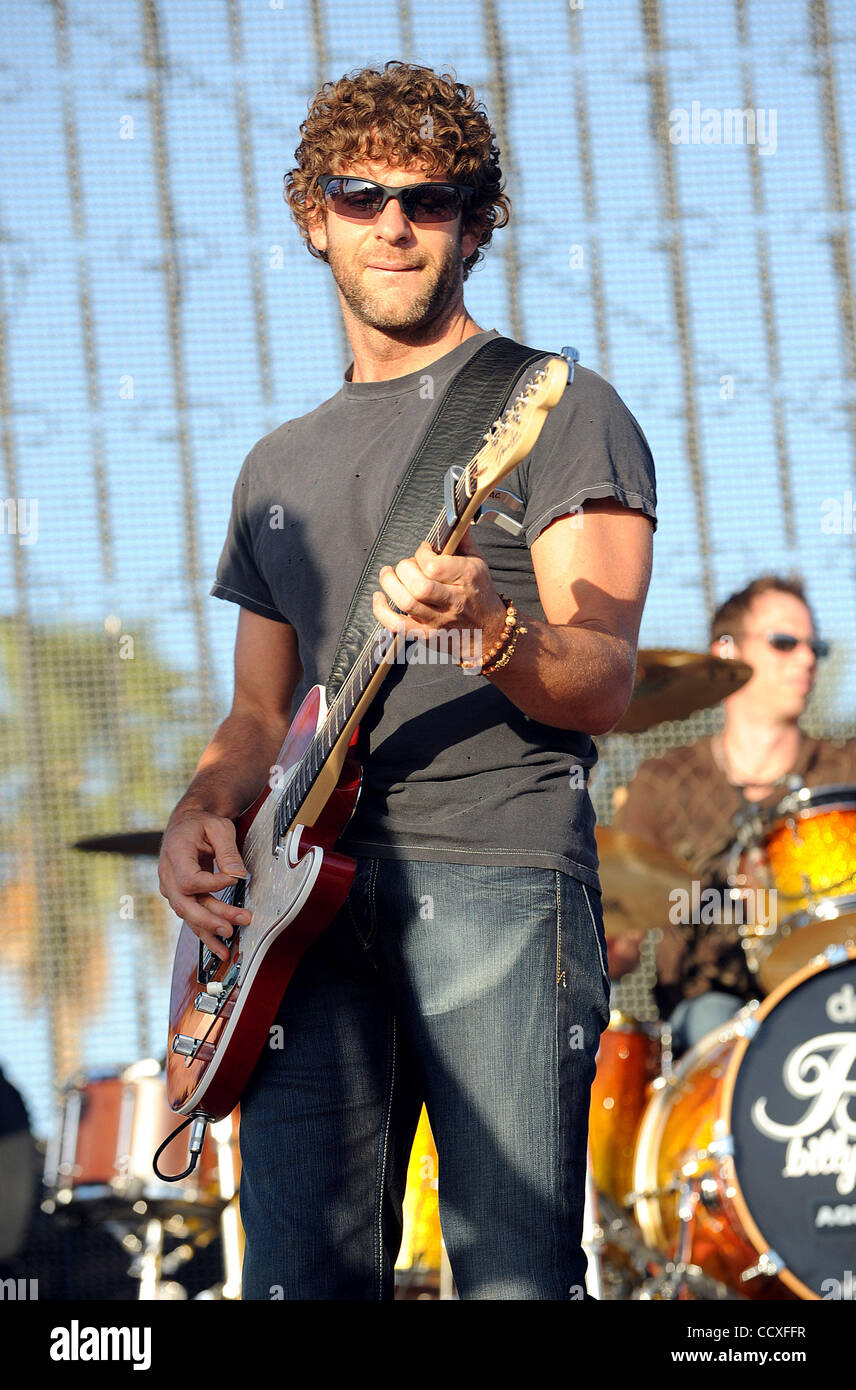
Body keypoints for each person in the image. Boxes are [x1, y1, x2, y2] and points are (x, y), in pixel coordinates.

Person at [158, 60, 656, 1300]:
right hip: (295, 922)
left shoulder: (556, 405)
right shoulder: (274, 466)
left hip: (496, 879)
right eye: (359, 191)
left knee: (512, 1281)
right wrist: (200, 813)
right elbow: (259, 717)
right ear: (311, 214)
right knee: (298, 1284)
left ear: (478, 221)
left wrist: (493, 631)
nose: (393, 222)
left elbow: (600, 678)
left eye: (431, 200)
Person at [612, 573, 856, 1052]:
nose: (807, 659)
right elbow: (621, 942)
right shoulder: (663, 783)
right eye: (785, 643)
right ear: (726, 651)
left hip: (833, 994)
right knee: (713, 1027)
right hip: (708, 1016)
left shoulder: (844, 771)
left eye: (815, 647)